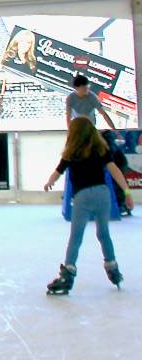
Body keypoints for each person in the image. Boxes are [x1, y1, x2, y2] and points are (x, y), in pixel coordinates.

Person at [44, 117, 134, 294]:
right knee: (103, 233)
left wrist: (49, 182)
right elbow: (114, 169)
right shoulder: (101, 149)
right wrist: (127, 192)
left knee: (76, 237)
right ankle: (113, 268)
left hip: (82, 197)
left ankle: (68, 273)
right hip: (102, 194)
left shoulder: (71, 153)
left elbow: (58, 171)